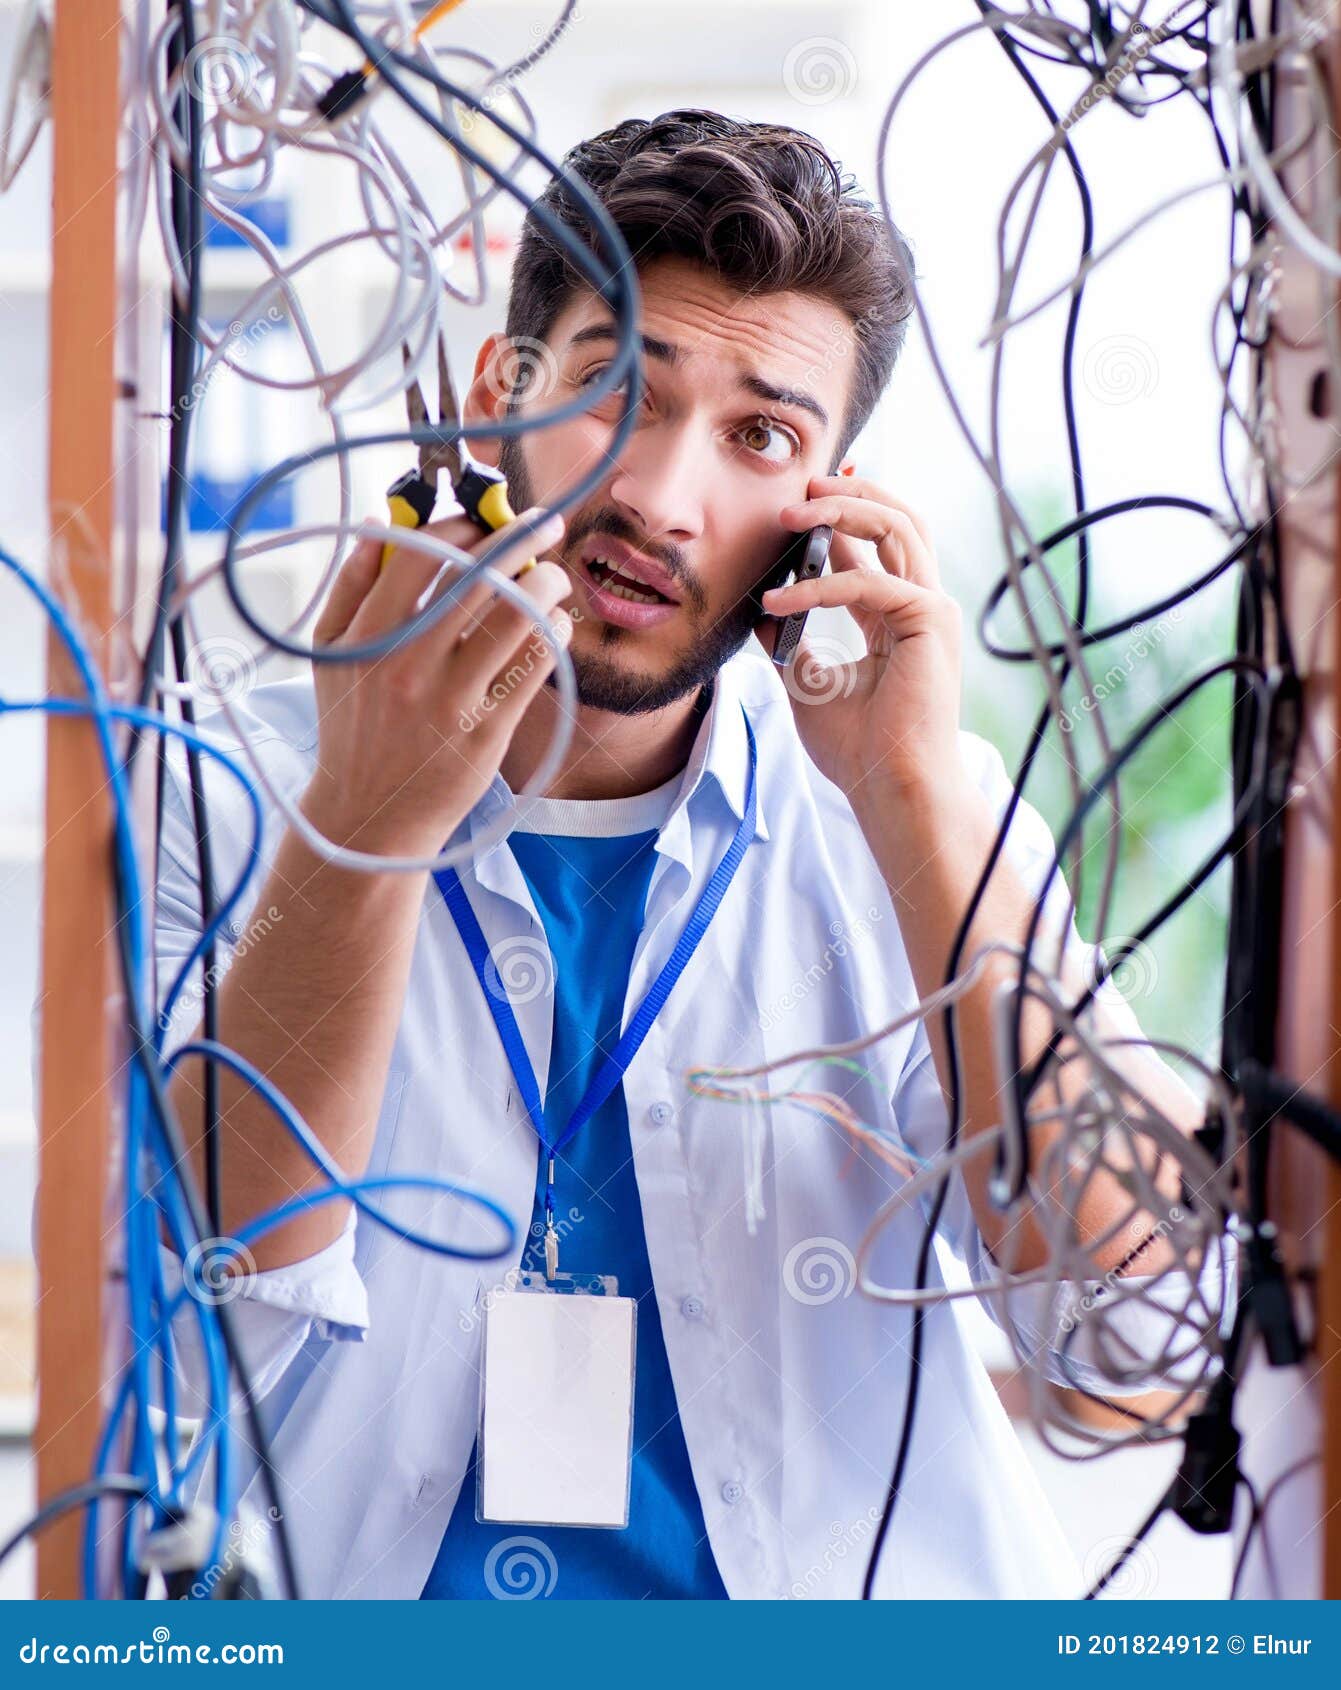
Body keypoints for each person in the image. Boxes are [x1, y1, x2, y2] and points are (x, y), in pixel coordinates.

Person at [157, 110, 1215, 1600]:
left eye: (760, 437)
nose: (660, 498)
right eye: (614, 392)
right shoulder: (222, 784)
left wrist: (912, 810)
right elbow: (184, 1310)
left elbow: (1135, 1351)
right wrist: (369, 820)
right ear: (496, 397)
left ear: (827, 503)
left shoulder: (918, 812)